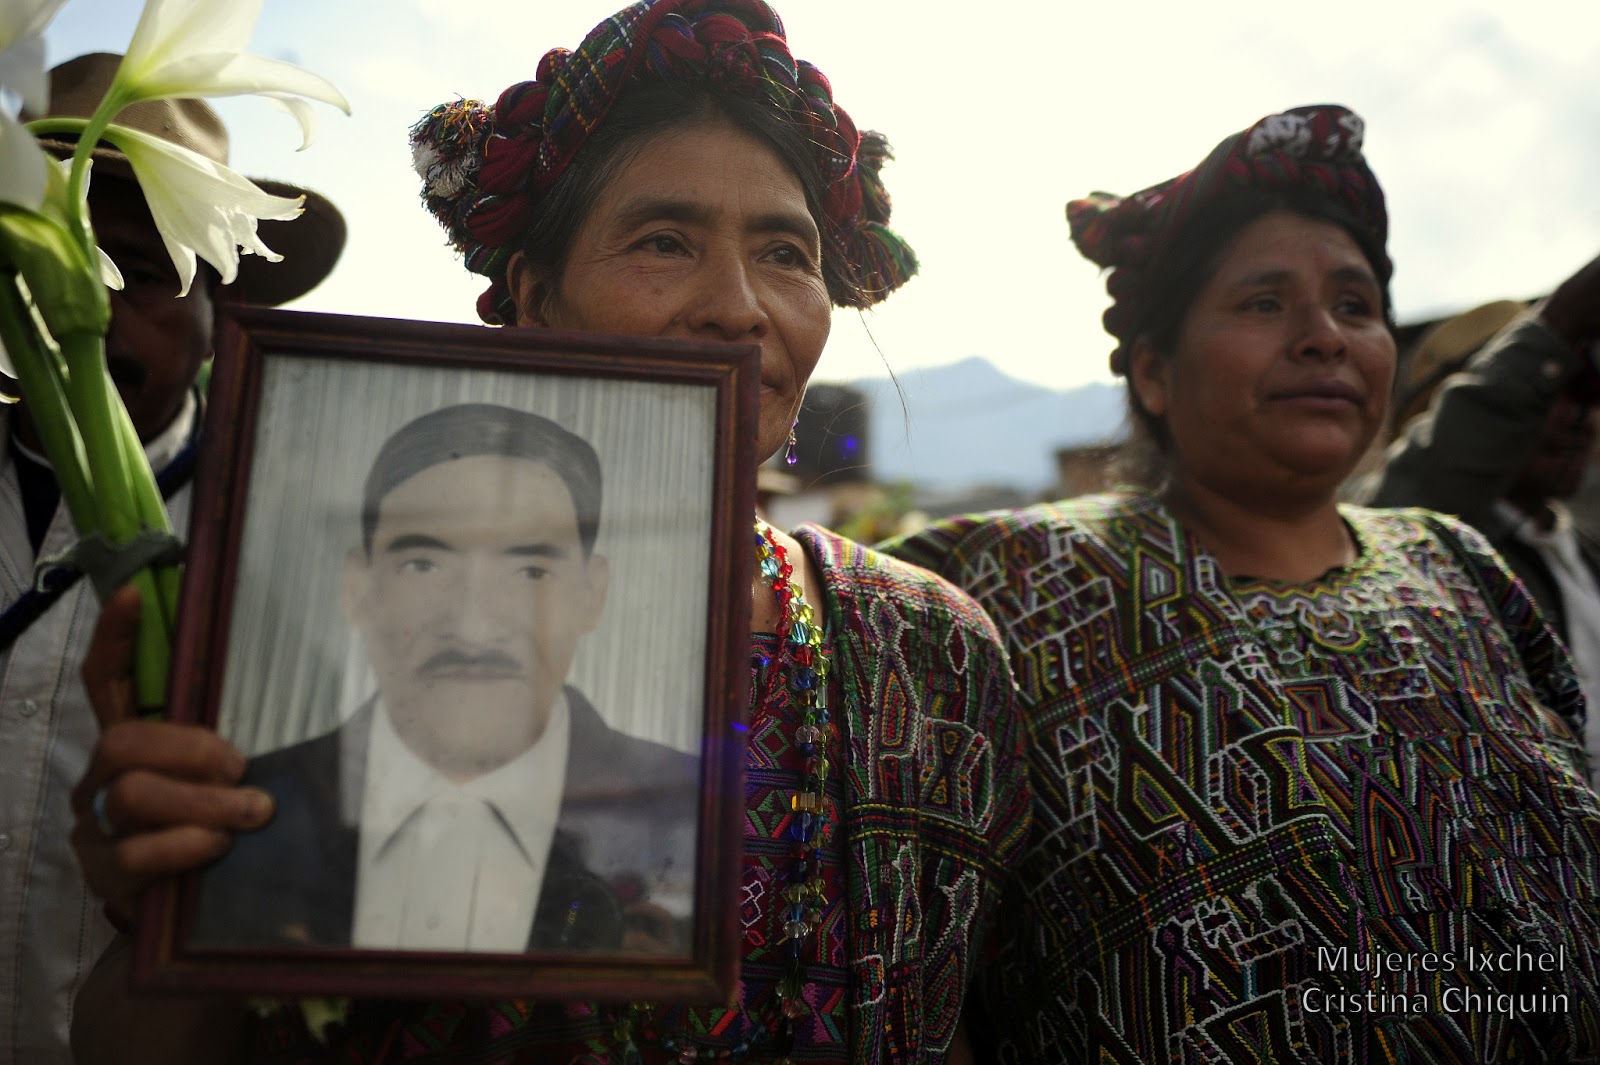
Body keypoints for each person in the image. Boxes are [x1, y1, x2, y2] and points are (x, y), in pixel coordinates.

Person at [68, 2, 1029, 1063]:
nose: (738, 306)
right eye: (664, 241)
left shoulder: (931, 649)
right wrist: (168, 891)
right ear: (531, 294)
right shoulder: (280, 645)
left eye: (786, 253)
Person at [886, 105, 1600, 1062]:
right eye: (1265, 304)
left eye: (1355, 306)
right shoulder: (990, 585)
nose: (1323, 337)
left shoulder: (1458, 562)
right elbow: (910, 966)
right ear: (1153, 372)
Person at [0, 52, 345, 1065]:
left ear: (222, 315)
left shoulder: (302, 542)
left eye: (144, 273)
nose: (89, 308)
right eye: (49, 262)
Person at [189, 403, 699, 954]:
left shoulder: (690, 813)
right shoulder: (241, 809)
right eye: (424, 566)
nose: (474, 629)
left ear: (591, 595)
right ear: (358, 586)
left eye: (530, 572)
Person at [1362, 260, 1600, 787]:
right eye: (1551, 389)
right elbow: (1430, 479)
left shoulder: (1584, 555)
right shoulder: (1429, 559)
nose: (1579, 415)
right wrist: (1558, 324)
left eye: (1589, 391)